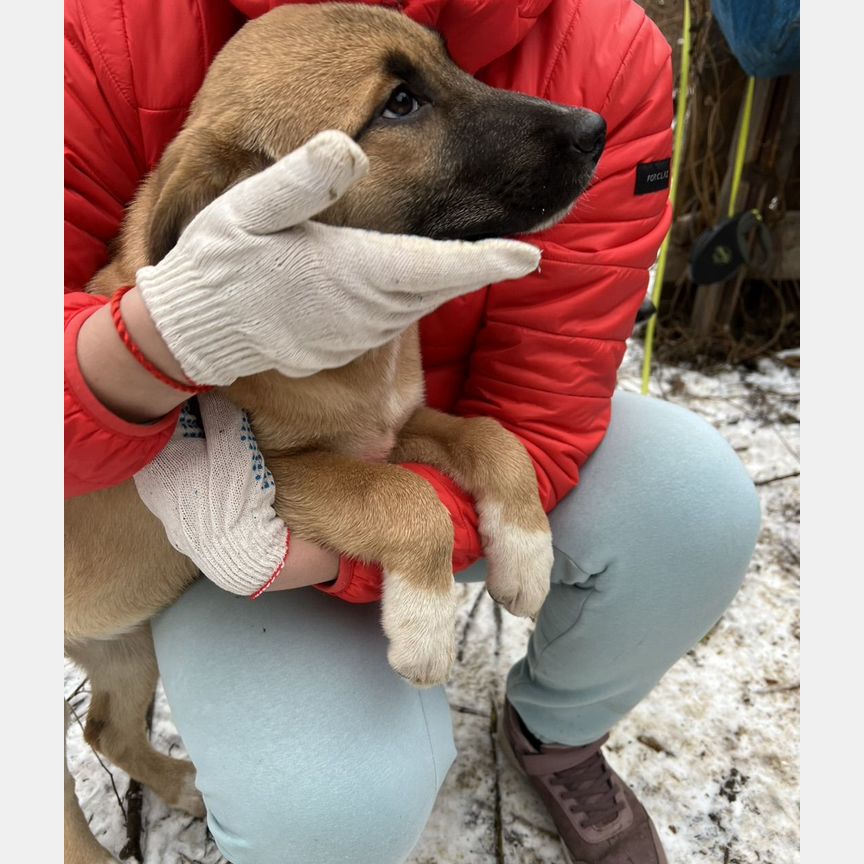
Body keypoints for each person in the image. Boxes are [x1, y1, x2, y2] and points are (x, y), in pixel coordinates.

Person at [64, 1, 761, 863]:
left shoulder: (604, 47)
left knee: (693, 499)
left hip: (334, 510)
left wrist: (407, 535)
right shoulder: (98, 33)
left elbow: (541, 407)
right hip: (151, 540)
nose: (579, 130)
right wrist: (149, 345)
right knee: (329, 814)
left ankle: (559, 733)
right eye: (401, 105)